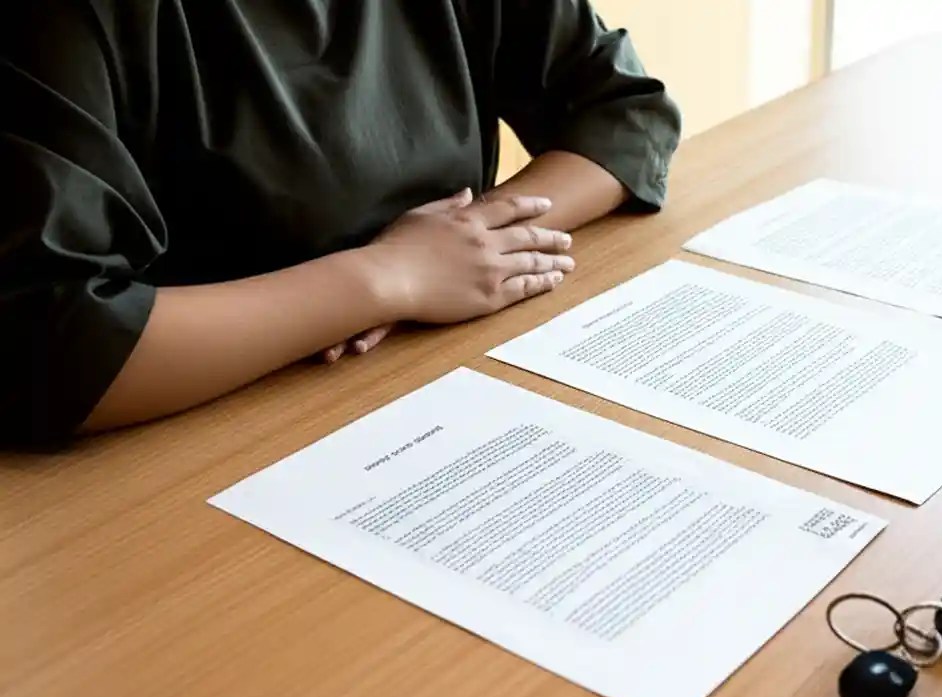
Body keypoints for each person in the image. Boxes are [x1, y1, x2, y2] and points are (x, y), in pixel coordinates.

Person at [0, 1, 680, 446]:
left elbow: (622, 112)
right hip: (200, 452)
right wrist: (387, 278)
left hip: (429, 399)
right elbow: (47, 345)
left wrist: (466, 250)